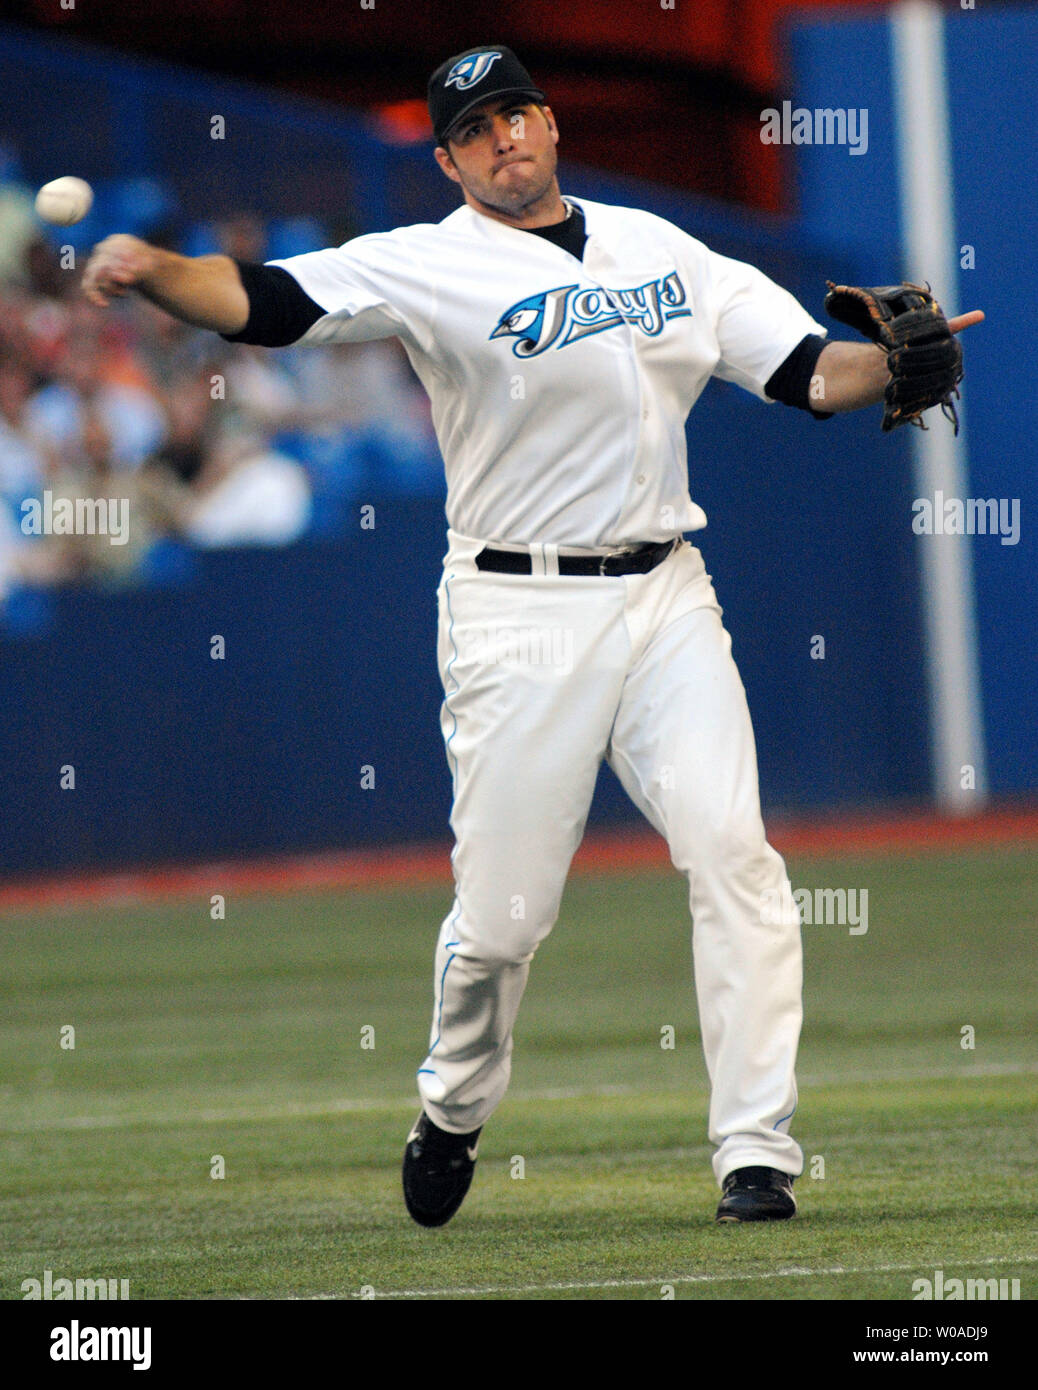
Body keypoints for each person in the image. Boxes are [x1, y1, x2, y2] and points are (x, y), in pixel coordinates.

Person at [82, 45, 983, 1225]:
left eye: (517, 113)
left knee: (736, 855)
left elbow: (811, 372)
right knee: (505, 920)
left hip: (667, 593)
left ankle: (755, 1151)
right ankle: (454, 1104)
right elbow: (264, 302)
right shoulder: (427, 263)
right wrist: (155, 269)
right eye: (475, 128)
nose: (503, 137)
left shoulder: (663, 248)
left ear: (550, 125)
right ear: (449, 157)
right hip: (518, 610)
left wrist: (903, 363)